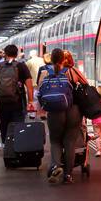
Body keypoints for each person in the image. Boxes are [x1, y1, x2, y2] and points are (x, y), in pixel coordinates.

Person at [37, 48, 86, 185]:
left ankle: (56, 166)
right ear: (63, 59)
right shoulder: (72, 71)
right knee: (69, 142)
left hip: (54, 111)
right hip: (73, 110)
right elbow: (86, 86)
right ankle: (68, 175)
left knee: (55, 141)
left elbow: (39, 91)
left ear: (50, 59)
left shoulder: (44, 71)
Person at [0, 44, 33, 144]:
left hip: (1, 104)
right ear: (16, 54)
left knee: (4, 129)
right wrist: (31, 102)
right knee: (18, 129)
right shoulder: (22, 67)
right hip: (18, 104)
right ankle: (17, 151)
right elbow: (29, 86)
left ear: (5, 54)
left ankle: (7, 151)